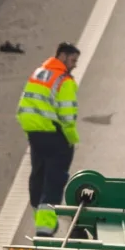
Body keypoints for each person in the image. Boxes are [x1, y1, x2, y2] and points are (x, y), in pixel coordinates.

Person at [19, 43, 82, 236]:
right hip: (55, 134)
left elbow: (26, 102)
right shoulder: (64, 80)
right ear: (62, 56)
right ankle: (45, 228)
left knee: (38, 175)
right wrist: (71, 140)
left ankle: (40, 220)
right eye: (72, 60)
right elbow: (68, 116)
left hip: (35, 133)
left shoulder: (39, 73)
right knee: (54, 179)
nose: (74, 65)